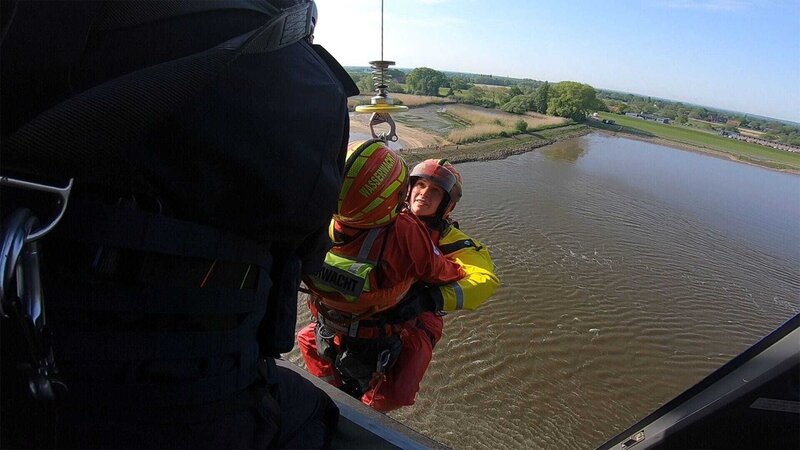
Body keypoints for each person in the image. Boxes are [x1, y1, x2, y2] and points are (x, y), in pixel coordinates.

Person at [1, 1, 358, 448]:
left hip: (18, 380)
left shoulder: (24, 23)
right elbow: (304, 254)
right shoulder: (307, 85)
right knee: (317, 416)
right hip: (187, 403)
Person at [296, 139, 467, 412]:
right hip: (352, 323)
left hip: (357, 320)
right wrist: (451, 273)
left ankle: (347, 406)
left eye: (435, 191)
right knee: (311, 341)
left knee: (399, 381)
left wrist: (428, 298)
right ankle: (346, 407)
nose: (423, 194)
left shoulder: (316, 217)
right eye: (420, 186)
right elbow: (442, 271)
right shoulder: (405, 230)